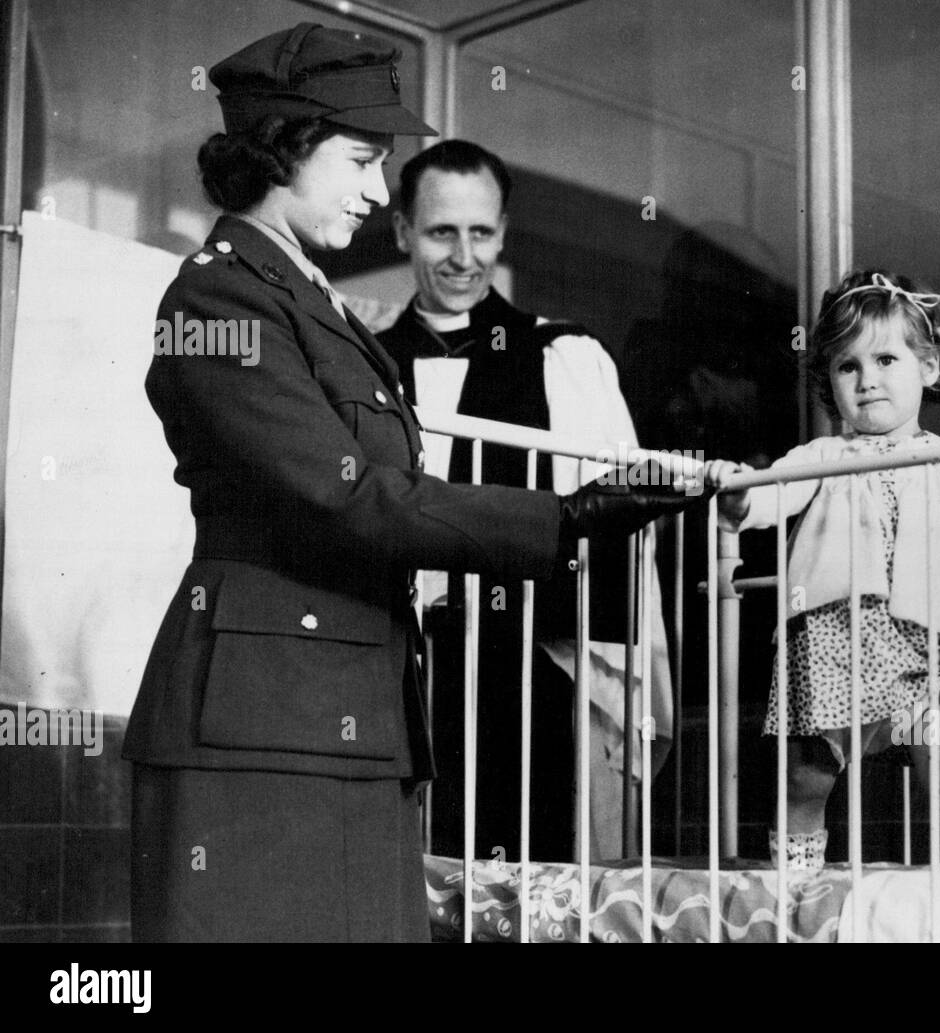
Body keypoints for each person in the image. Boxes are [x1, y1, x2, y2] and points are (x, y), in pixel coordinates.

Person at [123, 24, 696, 942]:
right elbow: (341, 492)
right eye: (360, 160)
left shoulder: (309, 298)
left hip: (347, 716)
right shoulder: (218, 298)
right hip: (266, 721)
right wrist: (561, 520)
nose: (373, 188)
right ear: (283, 148)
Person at [377, 140, 672, 861]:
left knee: (547, 873)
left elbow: (624, 519)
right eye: (442, 231)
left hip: (541, 664)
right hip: (402, 664)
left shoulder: (563, 360)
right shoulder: (366, 362)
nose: (463, 255)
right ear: (402, 231)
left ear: (504, 233)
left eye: (481, 232)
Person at [703, 270, 940, 872]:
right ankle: (794, 891)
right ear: (829, 382)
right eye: (848, 367)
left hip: (923, 648)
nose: (867, 380)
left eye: (887, 359)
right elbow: (773, 495)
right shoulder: (821, 456)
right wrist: (741, 499)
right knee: (807, 775)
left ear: (928, 368)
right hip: (828, 646)